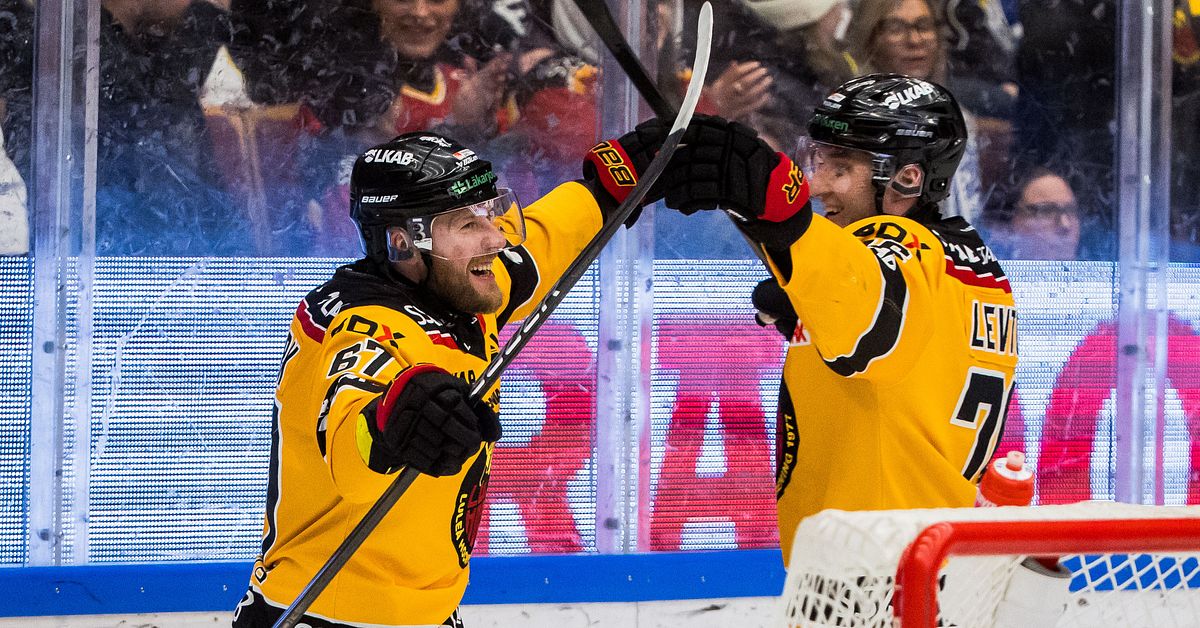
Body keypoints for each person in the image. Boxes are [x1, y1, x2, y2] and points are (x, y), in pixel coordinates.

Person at [231, 126, 665, 626]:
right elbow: (351, 456)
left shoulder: (461, 290)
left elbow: (545, 243)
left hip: (430, 613)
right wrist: (391, 420)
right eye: (466, 224)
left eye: (491, 213)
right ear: (401, 243)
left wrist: (611, 185)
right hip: (325, 613)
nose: (495, 237)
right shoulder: (365, 326)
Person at [650, 74, 1019, 563]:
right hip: (931, 559)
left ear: (906, 176)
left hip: (878, 571)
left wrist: (766, 200)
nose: (817, 184)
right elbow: (886, 345)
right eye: (818, 161)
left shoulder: (902, 246)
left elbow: (864, 319)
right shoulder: (970, 263)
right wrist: (803, 291)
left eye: (840, 168)